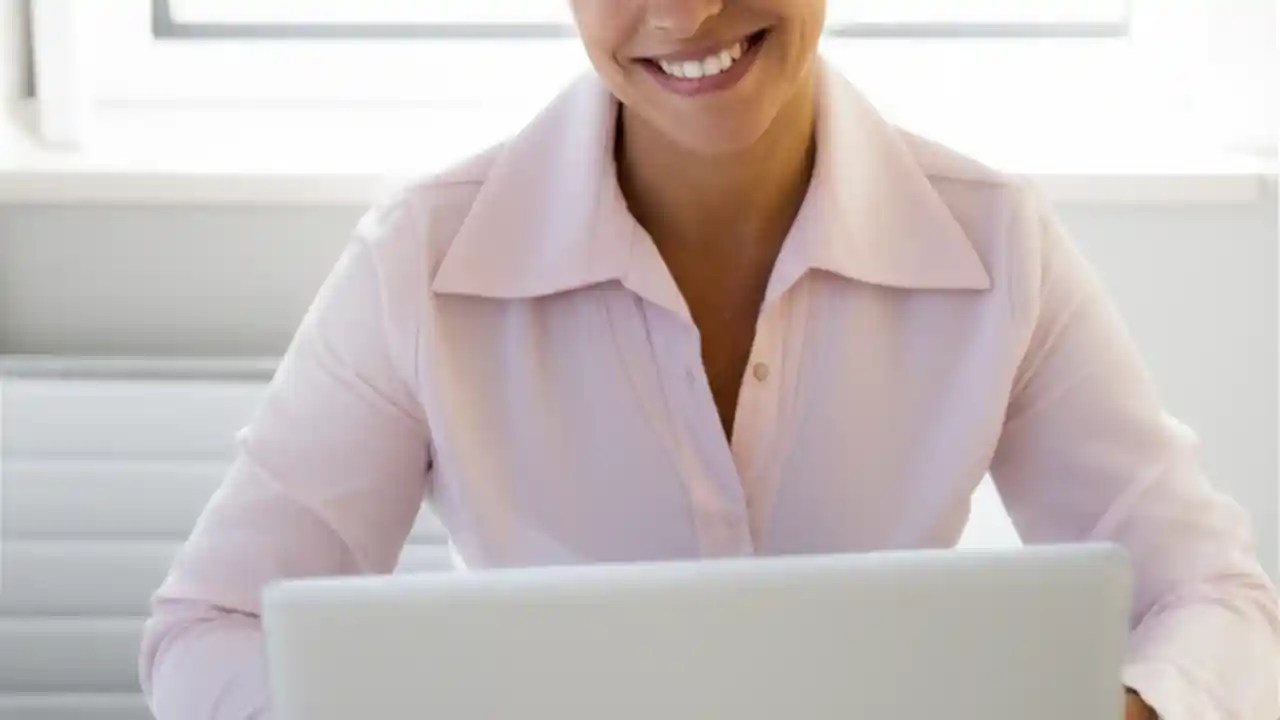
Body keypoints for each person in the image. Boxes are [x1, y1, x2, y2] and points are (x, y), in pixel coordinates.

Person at [139, 1, 1279, 718]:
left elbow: (1212, 599)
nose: (686, 10)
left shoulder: (991, 245)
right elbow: (201, 639)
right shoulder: (423, 263)